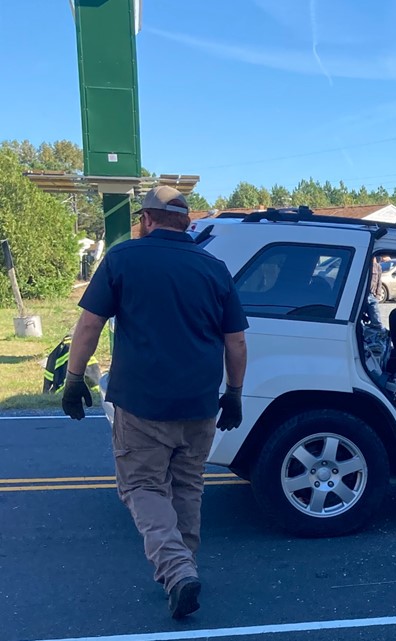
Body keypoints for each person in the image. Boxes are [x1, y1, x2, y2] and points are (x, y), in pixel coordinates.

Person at [60, 186, 248, 620]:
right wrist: (235, 394)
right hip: (200, 404)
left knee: (142, 486)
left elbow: (89, 324)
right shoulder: (214, 268)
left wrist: (74, 379)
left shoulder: (124, 258)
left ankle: (177, 571)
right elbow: (236, 341)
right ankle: (183, 569)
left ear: (146, 219)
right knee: (187, 487)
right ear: (186, 222)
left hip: (140, 402)